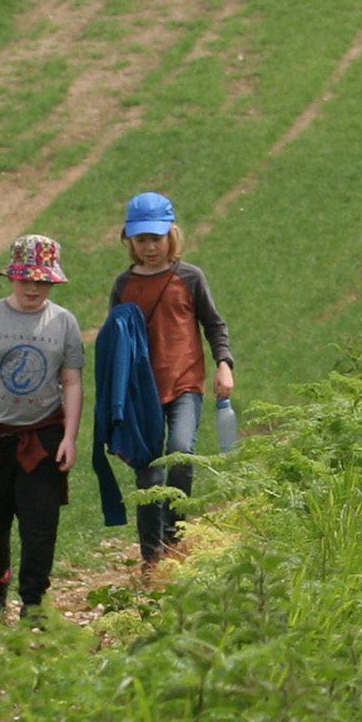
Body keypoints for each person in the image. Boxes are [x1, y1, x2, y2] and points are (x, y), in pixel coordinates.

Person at [92, 189, 234, 580]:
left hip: (185, 381)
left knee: (180, 453)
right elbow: (117, 343)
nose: (149, 247)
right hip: (142, 393)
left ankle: (174, 537)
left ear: (171, 235)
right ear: (129, 241)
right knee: (149, 473)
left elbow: (214, 324)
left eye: (156, 238)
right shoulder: (124, 285)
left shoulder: (190, 277)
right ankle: (151, 557)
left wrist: (224, 364)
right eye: (141, 240)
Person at [0, 233, 86, 620]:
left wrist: (69, 437)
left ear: (52, 281)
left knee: (40, 523)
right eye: (26, 279)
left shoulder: (64, 323)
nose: (33, 288)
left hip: (42, 437)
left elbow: (72, 383)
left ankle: (34, 600)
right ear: (12, 277)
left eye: (42, 281)